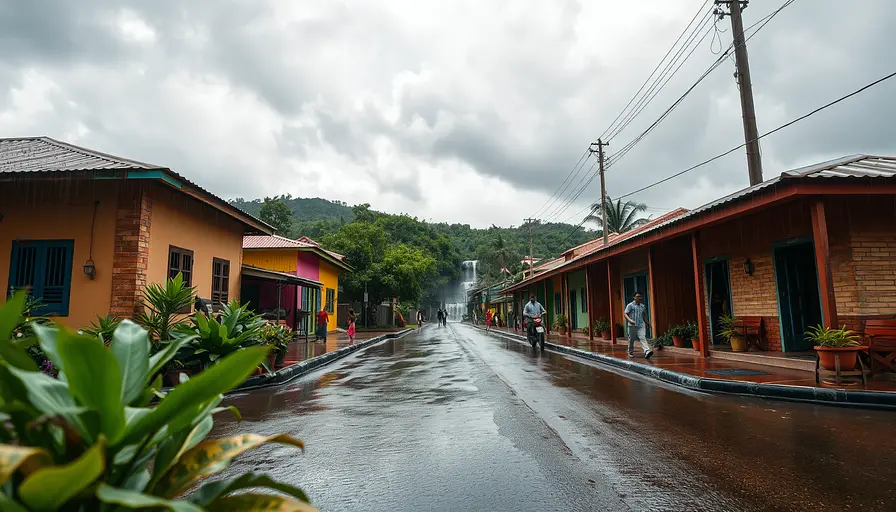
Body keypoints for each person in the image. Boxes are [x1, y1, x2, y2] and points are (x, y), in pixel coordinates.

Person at [624, 292, 652, 359]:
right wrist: (630, 320)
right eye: (638, 296)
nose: (639, 298)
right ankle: (630, 352)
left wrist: (647, 323)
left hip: (641, 324)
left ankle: (647, 351)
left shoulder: (642, 306)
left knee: (642, 337)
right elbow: (625, 314)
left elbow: (644, 315)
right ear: (634, 297)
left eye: (640, 296)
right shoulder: (630, 305)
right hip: (632, 325)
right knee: (632, 339)